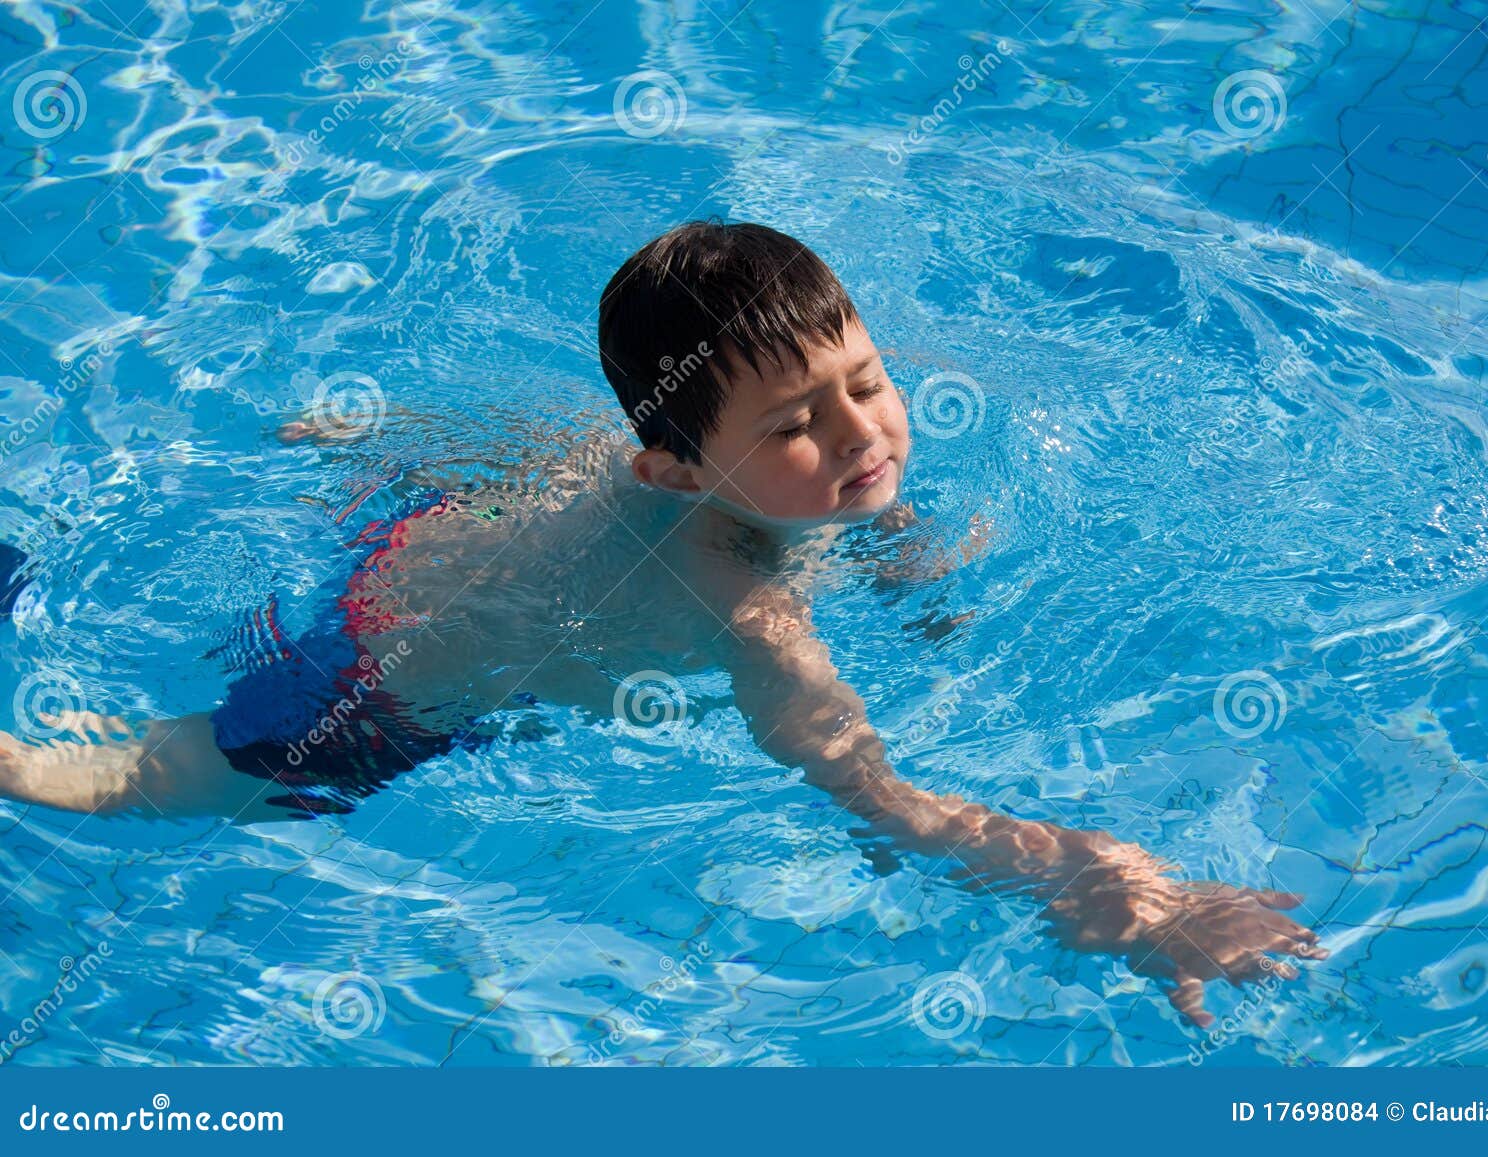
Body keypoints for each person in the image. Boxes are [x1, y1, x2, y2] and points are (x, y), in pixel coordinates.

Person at [0, 221, 1323, 1025]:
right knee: (184, 779)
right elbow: (878, 795)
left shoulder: (674, 456)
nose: (862, 431)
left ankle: (351, 445)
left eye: (866, 382)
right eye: (800, 423)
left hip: (452, 505)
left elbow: (550, 450)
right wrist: (1114, 886)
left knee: (484, 462)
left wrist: (895, 542)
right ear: (678, 469)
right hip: (395, 670)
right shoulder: (748, 606)